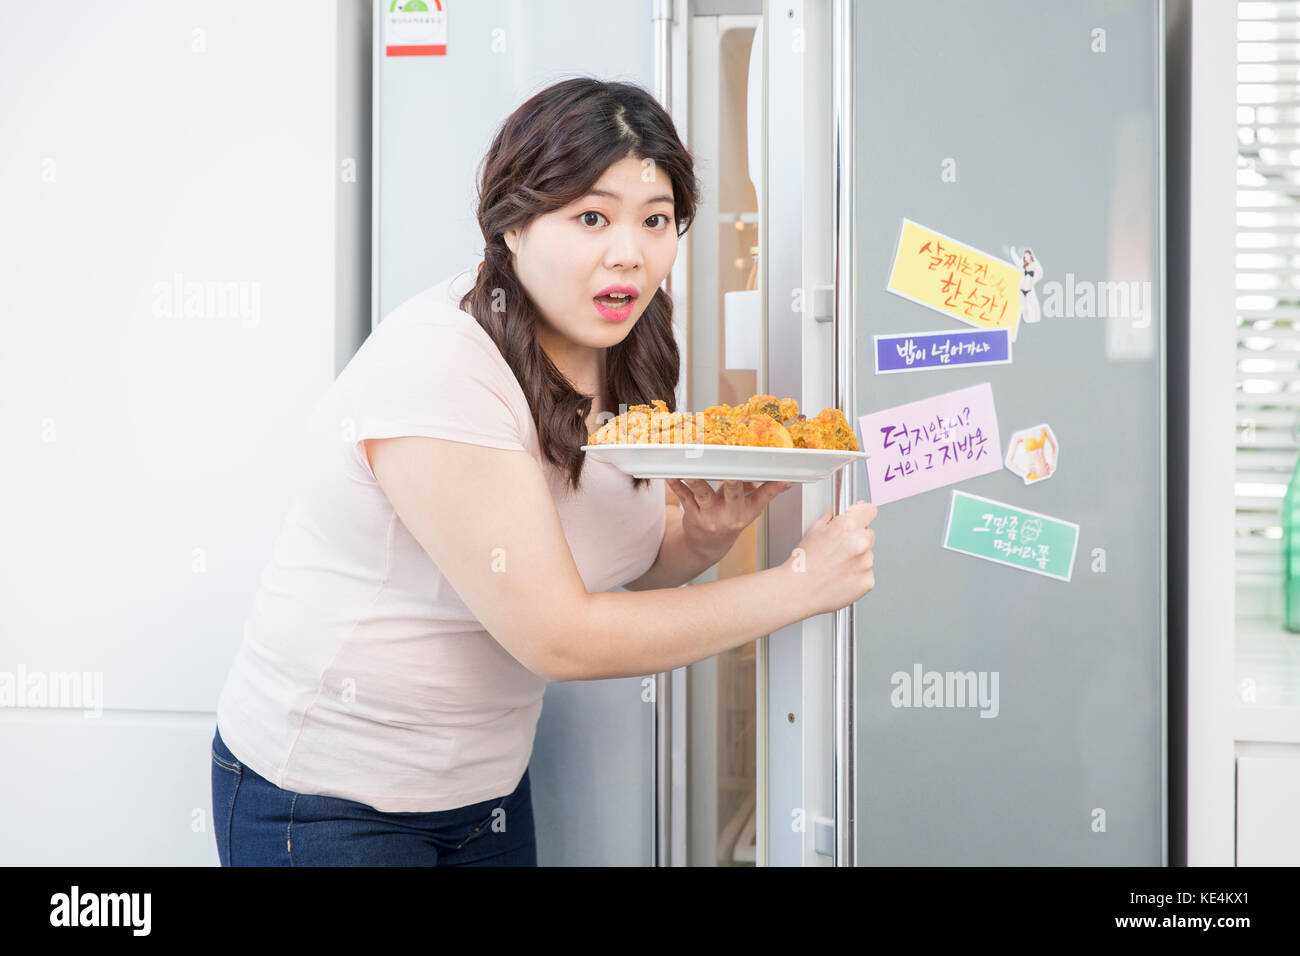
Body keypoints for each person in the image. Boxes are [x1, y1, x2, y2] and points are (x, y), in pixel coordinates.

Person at [210, 77, 877, 867]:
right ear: (513, 226)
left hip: (483, 792)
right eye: (591, 217)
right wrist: (798, 585)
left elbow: (622, 562)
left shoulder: (630, 342)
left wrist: (701, 535)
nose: (630, 252)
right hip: (326, 803)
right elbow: (559, 637)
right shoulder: (441, 364)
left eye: (656, 220)